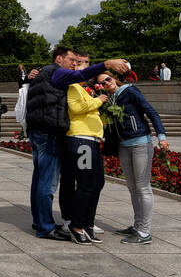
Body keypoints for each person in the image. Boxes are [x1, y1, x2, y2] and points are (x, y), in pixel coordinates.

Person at [25, 46, 130, 239]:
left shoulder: (47, 73)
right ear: (59, 59)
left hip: (40, 130)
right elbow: (78, 88)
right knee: (51, 183)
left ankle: (41, 221)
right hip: (56, 134)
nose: (75, 64)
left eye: (78, 60)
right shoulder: (57, 73)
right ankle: (50, 226)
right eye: (72, 60)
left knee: (40, 179)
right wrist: (106, 65)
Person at [99, 72, 168, 244]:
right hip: (124, 145)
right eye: (101, 83)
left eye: (108, 79)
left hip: (140, 144)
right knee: (132, 187)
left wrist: (161, 136)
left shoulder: (129, 91)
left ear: (114, 78)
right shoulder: (110, 100)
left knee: (143, 187)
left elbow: (151, 112)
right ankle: (137, 226)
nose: (106, 83)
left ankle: (144, 232)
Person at [59, 69, 110, 244]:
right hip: (81, 142)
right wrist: (98, 100)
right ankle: (76, 225)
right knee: (86, 183)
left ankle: (88, 223)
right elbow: (75, 108)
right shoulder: (73, 87)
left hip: (93, 142)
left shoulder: (86, 90)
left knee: (97, 183)